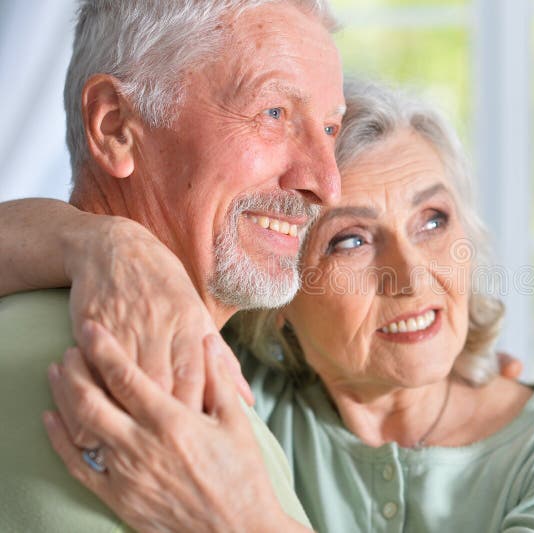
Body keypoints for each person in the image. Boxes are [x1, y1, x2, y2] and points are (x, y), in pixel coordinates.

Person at [3, 79, 534, 531]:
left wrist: (240, 520)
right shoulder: (243, 389)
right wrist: (106, 245)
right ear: (279, 291)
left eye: (433, 220)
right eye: (350, 239)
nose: (410, 274)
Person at [0, 0, 345, 530]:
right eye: (273, 113)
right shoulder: (162, 402)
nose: (325, 183)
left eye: (329, 130)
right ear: (116, 126)